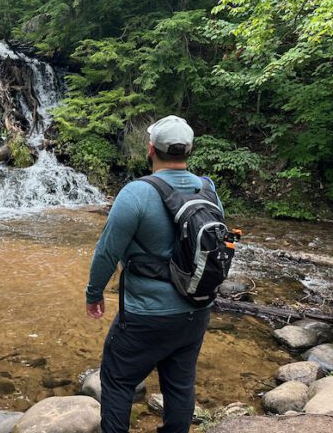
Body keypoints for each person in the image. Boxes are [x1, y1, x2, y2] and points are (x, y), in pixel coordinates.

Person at [85, 115, 222, 433]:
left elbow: (107, 253)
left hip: (145, 316)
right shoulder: (208, 189)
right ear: (190, 149)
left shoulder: (135, 194)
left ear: (151, 149)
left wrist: (93, 295)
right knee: (180, 386)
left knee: (118, 382)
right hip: (195, 312)